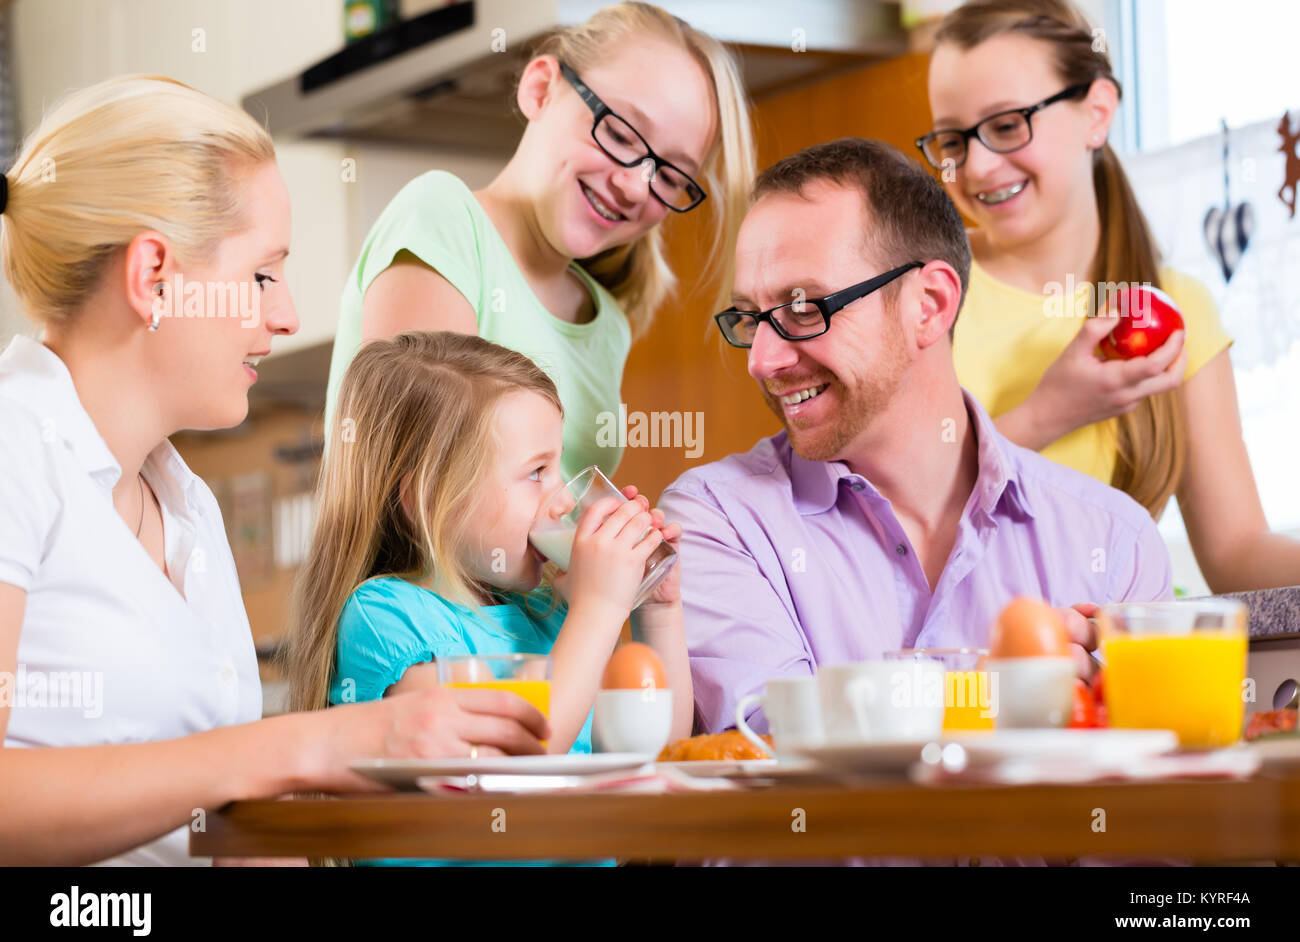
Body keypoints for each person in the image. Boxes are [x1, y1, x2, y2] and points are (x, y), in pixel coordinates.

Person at [0, 76, 547, 867]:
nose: (286, 314)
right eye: (262, 275)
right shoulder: (15, 447)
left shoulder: (182, 504)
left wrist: (358, 768)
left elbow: (213, 822)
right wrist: (310, 744)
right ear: (154, 276)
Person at [659, 138, 1171, 738]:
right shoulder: (716, 522)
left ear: (929, 304)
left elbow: (1154, 800)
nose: (763, 361)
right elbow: (772, 754)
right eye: (750, 318)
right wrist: (1020, 707)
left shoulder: (1118, 544)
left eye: (803, 307)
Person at [921, 0, 1300, 592]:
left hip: (1122, 669)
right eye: (953, 140)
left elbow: (1237, 554)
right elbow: (888, 519)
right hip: (968, 676)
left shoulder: (1177, 308)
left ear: (1097, 113)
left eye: (1006, 125)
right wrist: (1048, 413)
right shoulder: (923, 293)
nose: (978, 166)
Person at [286, 331, 691, 865]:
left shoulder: (544, 613)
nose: (564, 497)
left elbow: (656, 750)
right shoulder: (388, 616)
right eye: (536, 472)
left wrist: (655, 608)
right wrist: (598, 609)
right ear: (430, 499)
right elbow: (519, 758)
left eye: (559, 466)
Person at [323, 1, 756, 478]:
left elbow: (551, 513)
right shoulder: (441, 216)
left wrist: (607, 533)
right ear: (541, 89)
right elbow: (419, 484)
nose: (635, 186)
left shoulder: (607, 326)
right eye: (619, 133)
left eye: (671, 176)